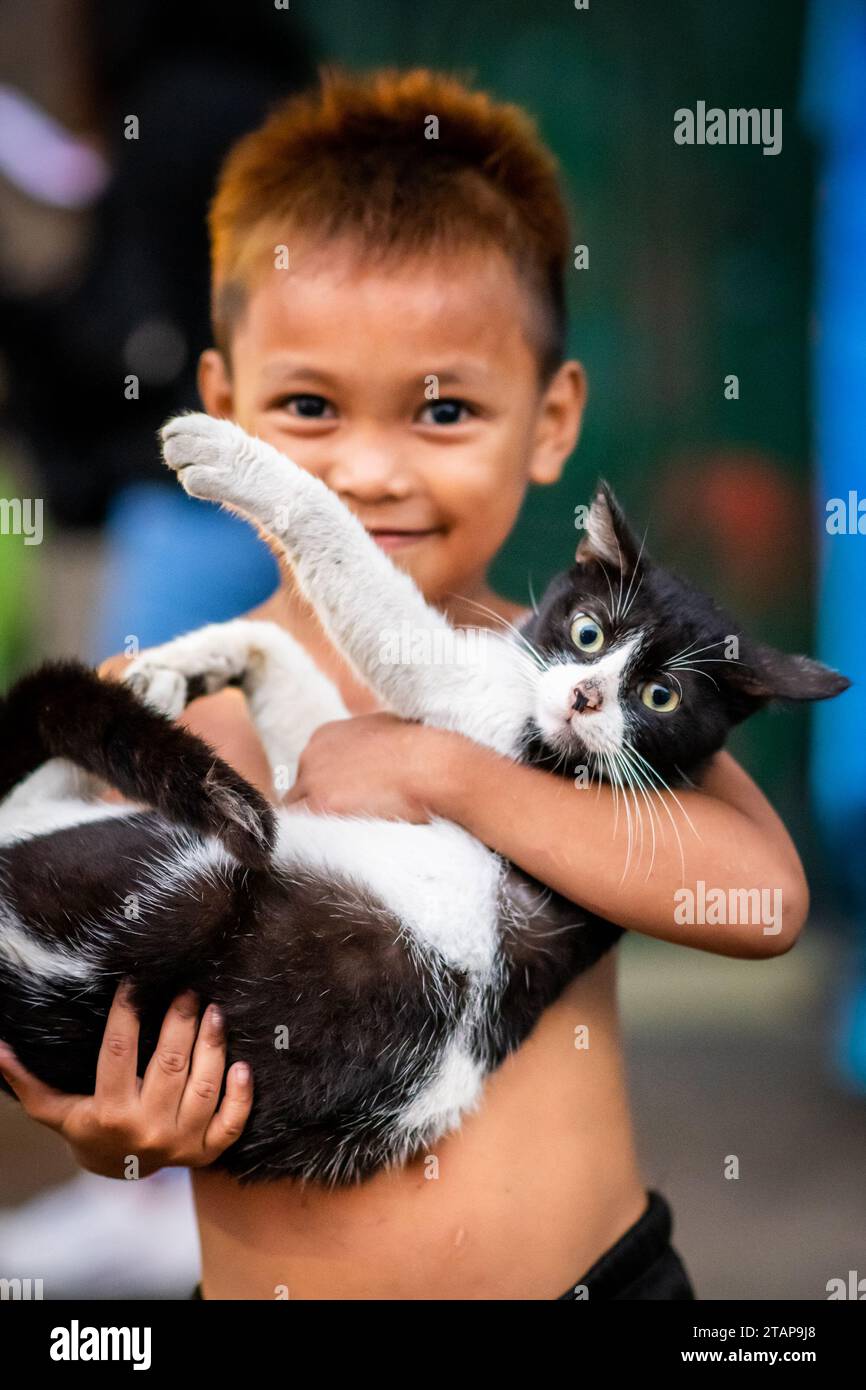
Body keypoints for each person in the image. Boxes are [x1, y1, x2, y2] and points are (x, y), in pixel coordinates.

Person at [0, 68, 809, 1300]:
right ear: (223, 410)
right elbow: (94, 1008)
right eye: (309, 407)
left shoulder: (573, 686)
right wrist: (108, 1142)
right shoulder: (183, 695)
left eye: (442, 409)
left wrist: (444, 769)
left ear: (549, 422)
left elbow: (760, 903)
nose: (369, 472)